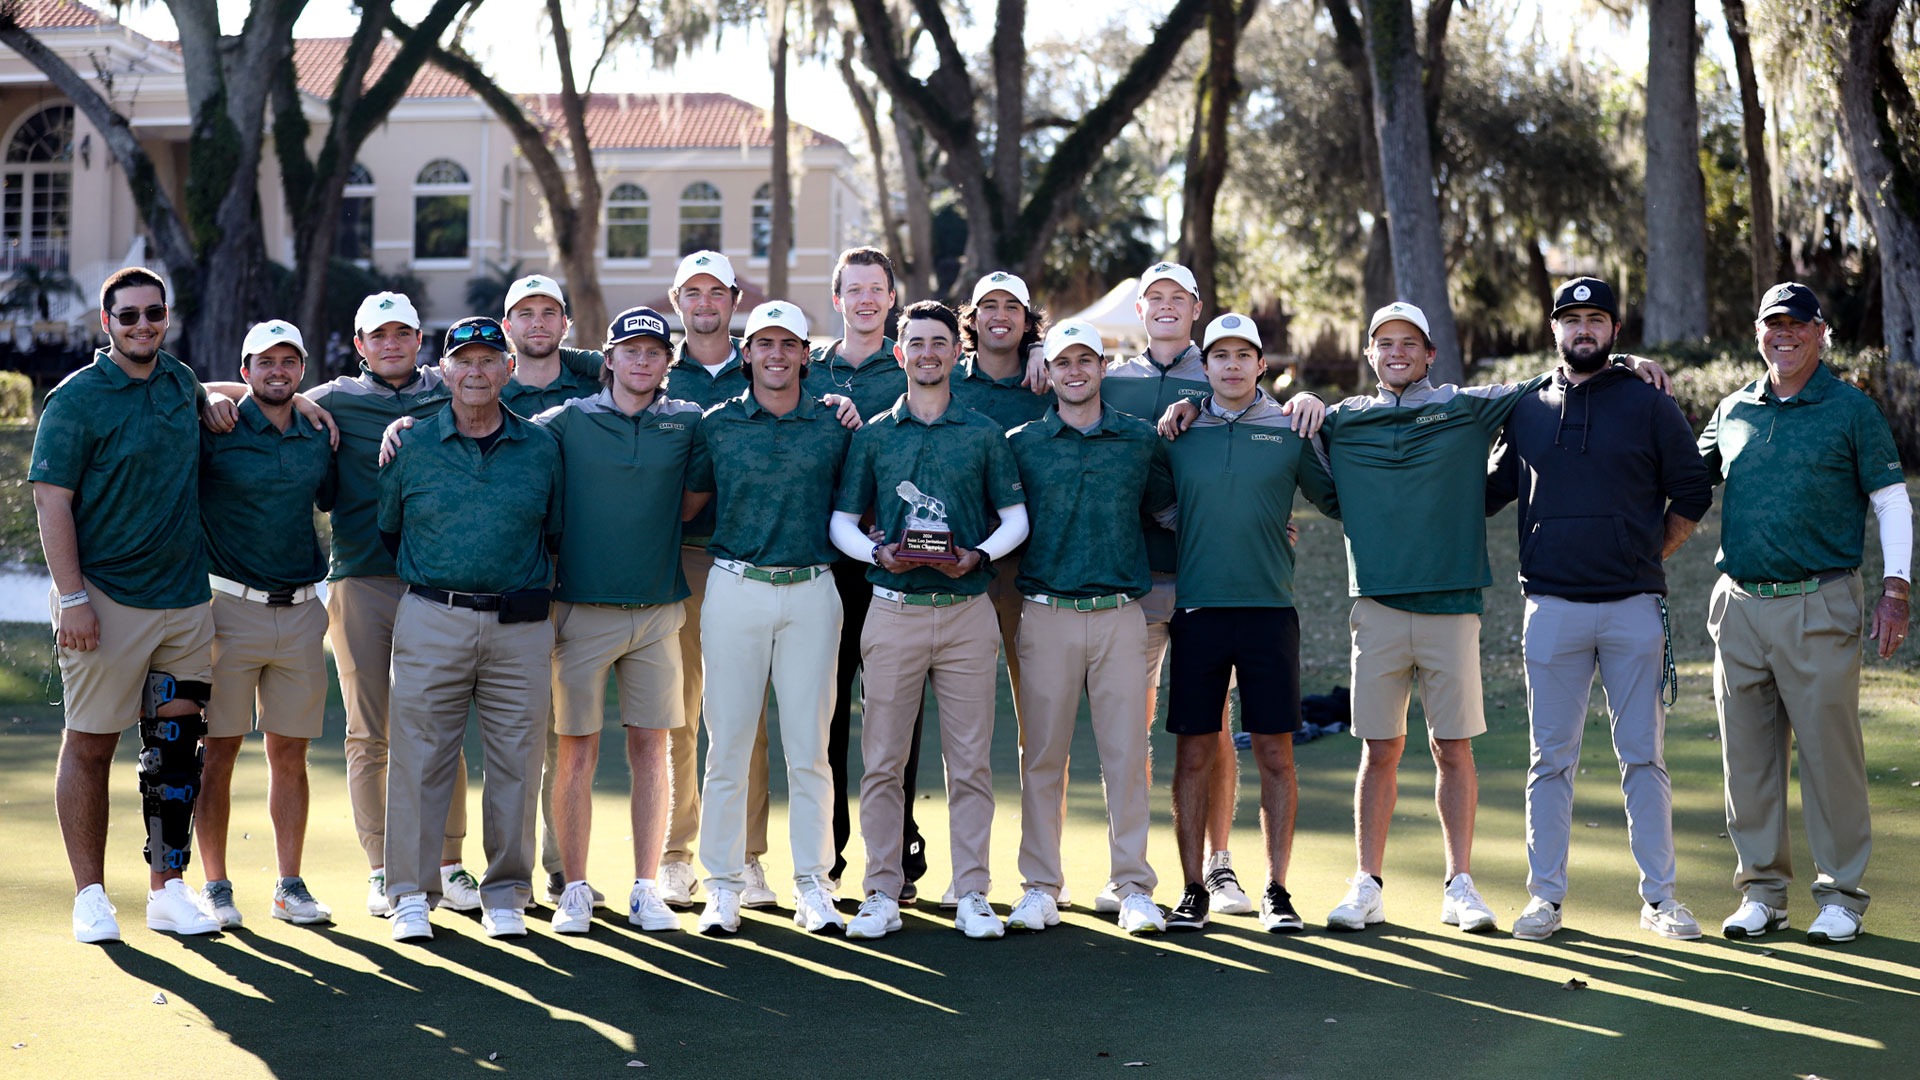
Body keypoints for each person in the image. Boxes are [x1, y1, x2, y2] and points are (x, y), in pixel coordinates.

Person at [1484, 278, 1713, 942]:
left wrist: (1646, 553)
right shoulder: (1526, 407)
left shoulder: (1649, 403)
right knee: (1549, 761)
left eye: (1596, 318)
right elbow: (1487, 492)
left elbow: (1692, 490)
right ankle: (1545, 900)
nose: (1583, 328)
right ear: (1554, 329)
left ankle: (1660, 899)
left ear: (1615, 329)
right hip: (1550, 606)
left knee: (1643, 757)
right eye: (1571, 318)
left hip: (1631, 608)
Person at [1699, 282, 1911, 945]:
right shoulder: (1732, 408)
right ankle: (1762, 894)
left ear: (1821, 333)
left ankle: (1841, 896)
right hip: (1739, 606)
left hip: (1819, 602)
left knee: (1829, 758)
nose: (1783, 334)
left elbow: (1891, 501)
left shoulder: (1851, 409)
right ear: (1757, 333)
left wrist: (1897, 590)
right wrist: (1634, 380)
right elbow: (1680, 480)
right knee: (1747, 761)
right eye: (1772, 323)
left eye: (1797, 323)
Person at [830, 300, 1030, 941]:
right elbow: (842, 522)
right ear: (900, 354)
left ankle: (971, 891)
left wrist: (979, 555)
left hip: (967, 611)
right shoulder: (873, 436)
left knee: (970, 764)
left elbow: (1015, 519)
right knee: (883, 762)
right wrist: (876, 554)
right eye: (915, 343)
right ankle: (881, 892)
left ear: (955, 352)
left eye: (939, 342)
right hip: (892, 611)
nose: (926, 353)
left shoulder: (984, 433)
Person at [33, 266, 221, 941]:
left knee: (176, 748)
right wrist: (73, 597)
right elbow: (50, 501)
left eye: (154, 313)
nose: (144, 325)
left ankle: (167, 891)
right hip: (105, 599)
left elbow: (221, 392)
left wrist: (229, 398)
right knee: (90, 746)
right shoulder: (75, 398)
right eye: (130, 315)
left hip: (185, 601)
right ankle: (90, 897)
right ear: (106, 323)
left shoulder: (179, 381)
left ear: (167, 318)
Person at [379, 316, 563, 942]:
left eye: (489, 360)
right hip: (433, 616)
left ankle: (506, 892)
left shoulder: (541, 447)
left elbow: (554, 532)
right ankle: (409, 893)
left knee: (517, 761)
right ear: (445, 371)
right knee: (419, 759)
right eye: (464, 361)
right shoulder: (411, 444)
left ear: (509, 369)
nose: (476, 372)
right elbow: (390, 528)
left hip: (519, 626)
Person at [1159, 315, 1338, 934]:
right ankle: (1192, 889)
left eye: (1244, 355)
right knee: (1194, 752)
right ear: (1204, 365)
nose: (1232, 365)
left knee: (1275, 754)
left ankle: (1277, 890)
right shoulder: (1179, 431)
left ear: (1262, 365)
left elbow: (1334, 497)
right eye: (1220, 356)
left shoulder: (1289, 429)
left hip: (1269, 612)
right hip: (1198, 612)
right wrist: (1204, 519)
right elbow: (1154, 498)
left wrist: (1320, 411)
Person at [683, 301, 855, 936]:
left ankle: (814, 883)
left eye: (788, 344)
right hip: (735, 587)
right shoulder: (718, 424)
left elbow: (858, 508)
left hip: (812, 589)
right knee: (727, 746)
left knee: (810, 750)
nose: (776, 355)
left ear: (805, 355)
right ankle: (723, 886)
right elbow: (687, 505)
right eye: (764, 344)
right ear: (747, 352)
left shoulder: (836, 423)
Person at [306, 292, 479, 917]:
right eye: (378, 335)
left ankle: (448, 864)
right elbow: (259, 394)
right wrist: (289, 401)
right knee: (369, 731)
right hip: (361, 580)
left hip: (436, 580)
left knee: (441, 726)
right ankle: (382, 868)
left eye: (402, 333)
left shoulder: (449, 386)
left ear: (419, 338)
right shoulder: (333, 398)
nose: (391, 344)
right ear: (360, 344)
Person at [535, 306, 703, 935]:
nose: (641, 360)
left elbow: (696, 496)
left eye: (653, 352)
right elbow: (491, 425)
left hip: (658, 612)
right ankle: (575, 889)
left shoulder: (687, 421)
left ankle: (646, 887)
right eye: (630, 350)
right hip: (581, 611)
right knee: (576, 751)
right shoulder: (566, 420)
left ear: (667, 363)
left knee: (653, 750)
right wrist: (407, 421)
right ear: (608, 359)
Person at [1002, 318, 1171, 936]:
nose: (1075, 372)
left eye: (1085, 361)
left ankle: (1132, 886)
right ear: (1050, 372)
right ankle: (1041, 886)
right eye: (1063, 362)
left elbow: (1172, 509)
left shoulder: (1138, 439)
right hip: (1045, 613)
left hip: (1121, 615)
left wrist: (1257, 526)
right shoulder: (1021, 443)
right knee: (1043, 756)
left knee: (1126, 756)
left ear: (1103, 367)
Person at [1096, 261, 1250, 916]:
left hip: (1207, 579)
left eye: (1176, 297)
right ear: (1140, 311)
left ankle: (1219, 865)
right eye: (1153, 297)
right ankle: (1129, 869)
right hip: (1132, 580)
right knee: (1126, 729)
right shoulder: (1111, 380)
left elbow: (1263, 439)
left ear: (1195, 308)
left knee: (1213, 726)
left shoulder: (1219, 373)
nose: (1164, 306)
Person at [193, 320, 339, 928]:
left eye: (288, 362)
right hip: (227, 610)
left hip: (302, 612)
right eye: (265, 362)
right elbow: (180, 388)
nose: (278, 371)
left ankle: (289, 887)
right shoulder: (216, 425)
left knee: (290, 754)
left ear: (302, 369)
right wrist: (213, 394)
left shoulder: (317, 431)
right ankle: (215, 886)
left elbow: (331, 498)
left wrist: (304, 405)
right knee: (217, 752)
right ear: (246, 369)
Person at [806, 247, 932, 901]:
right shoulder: (805, 365)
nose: (864, 299)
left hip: (894, 570)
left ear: (890, 298)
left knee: (894, 718)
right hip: (821, 570)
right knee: (826, 718)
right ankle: (827, 859)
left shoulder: (912, 363)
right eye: (853, 289)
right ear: (838, 299)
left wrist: (1036, 348)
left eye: (875, 289)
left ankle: (898, 852)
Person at [658, 250, 775, 911]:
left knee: (743, 717)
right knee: (677, 714)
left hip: (749, 561)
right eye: (692, 293)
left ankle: (746, 857)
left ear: (734, 299)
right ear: (677, 301)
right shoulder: (651, 365)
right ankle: (676, 856)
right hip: (678, 560)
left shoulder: (765, 361)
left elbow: (821, 388)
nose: (705, 303)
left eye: (716, 292)